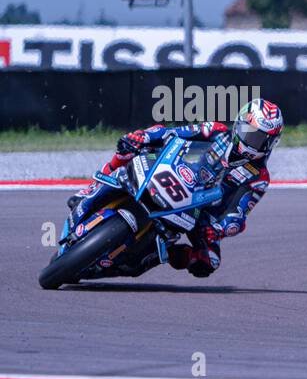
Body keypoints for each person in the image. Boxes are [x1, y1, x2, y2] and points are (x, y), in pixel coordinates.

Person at [69, 100, 284, 277]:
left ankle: (157, 253)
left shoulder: (259, 178)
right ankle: (89, 191)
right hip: (174, 175)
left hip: (202, 212)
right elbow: (175, 133)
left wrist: (220, 228)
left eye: (263, 139)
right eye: (252, 134)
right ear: (239, 124)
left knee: (209, 262)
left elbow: (238, 213)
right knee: (128, 151)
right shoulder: (216, 131)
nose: (255, 143)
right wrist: (144, 138)